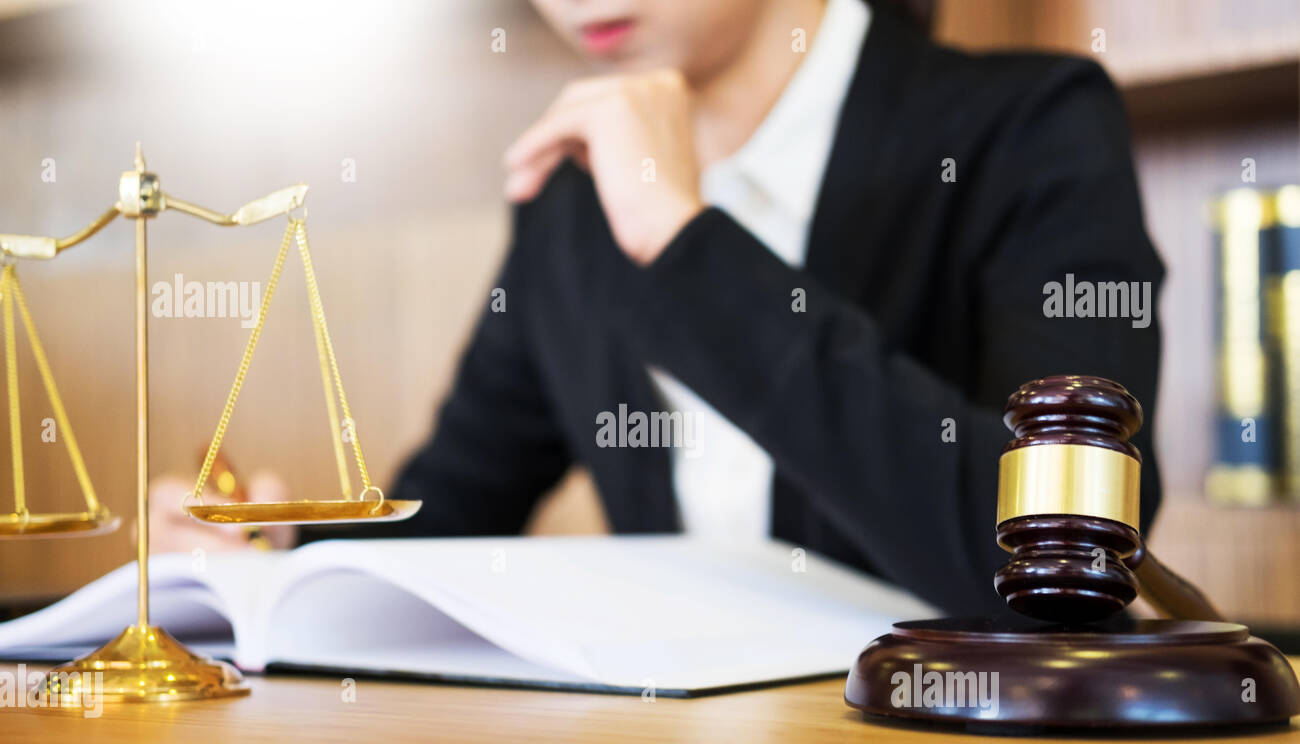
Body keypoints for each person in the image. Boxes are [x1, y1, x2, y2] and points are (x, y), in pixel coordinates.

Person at [151, 0, 1164, 615]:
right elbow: (455, 511)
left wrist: (685, 247)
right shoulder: (572, 201)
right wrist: (275, 548)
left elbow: (1063, 543)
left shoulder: (1027, 126)